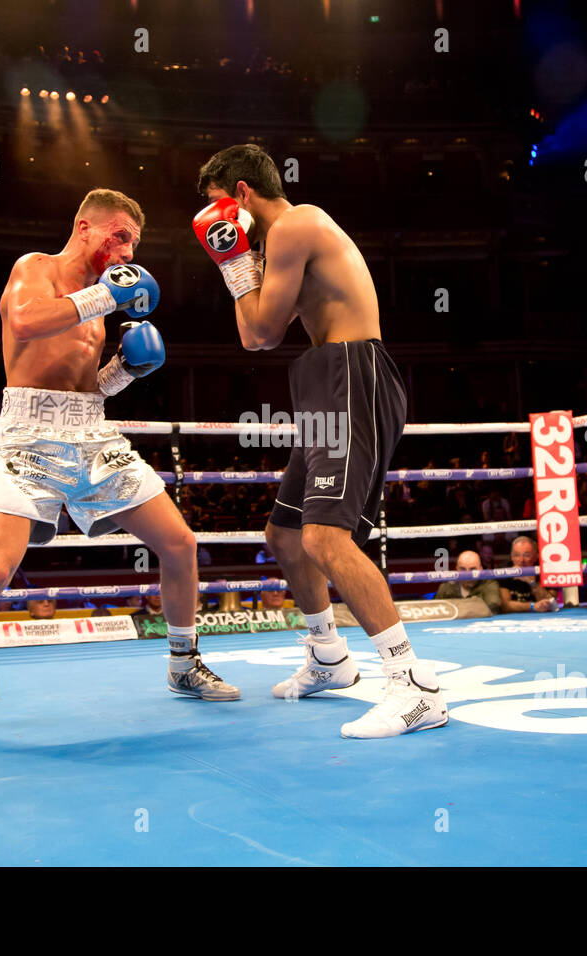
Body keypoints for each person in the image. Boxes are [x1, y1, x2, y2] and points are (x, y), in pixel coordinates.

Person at [0, 189, 238, 743]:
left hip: (90, 432)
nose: (125, 250)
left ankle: (183, 665)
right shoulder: (34, 270)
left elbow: (87, 386)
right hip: (25, 439)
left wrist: (127, 372)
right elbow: (23, 324)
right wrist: (102, 297)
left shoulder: (102, 299)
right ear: (85, 227)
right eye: (118, 236)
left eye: (133, 243)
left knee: (180, 544)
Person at [193, 144, 446, 738]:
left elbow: (258, 331)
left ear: (242, 195)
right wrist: (236, 261)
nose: (217, 219)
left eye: (218, 205)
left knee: (326, 537)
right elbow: (257, 337)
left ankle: (414, 686)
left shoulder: (297, 223)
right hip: (324, 378)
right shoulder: (278, 238)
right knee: (283, 535)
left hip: (352, 374)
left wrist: (232, 262)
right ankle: (329, 656)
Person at [498, 536, 558, 613]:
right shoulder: (505, 570)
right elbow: (505, 606)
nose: (521, 560)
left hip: (543, 619)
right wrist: (533, 606)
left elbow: (552, 604)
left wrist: (532, 583)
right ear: (511, 556)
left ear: (536, 556)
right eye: (516, 555)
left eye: (526, 555)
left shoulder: (546, 569)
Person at [434, 550, 503, 613]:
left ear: (481, 569)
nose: (468, 574)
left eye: (473, 569)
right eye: (463, 569)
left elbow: (493, 607)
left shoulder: (489, 584)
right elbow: (434, 611)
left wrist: (454, 609)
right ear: (457, 569)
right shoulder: (447, 586)